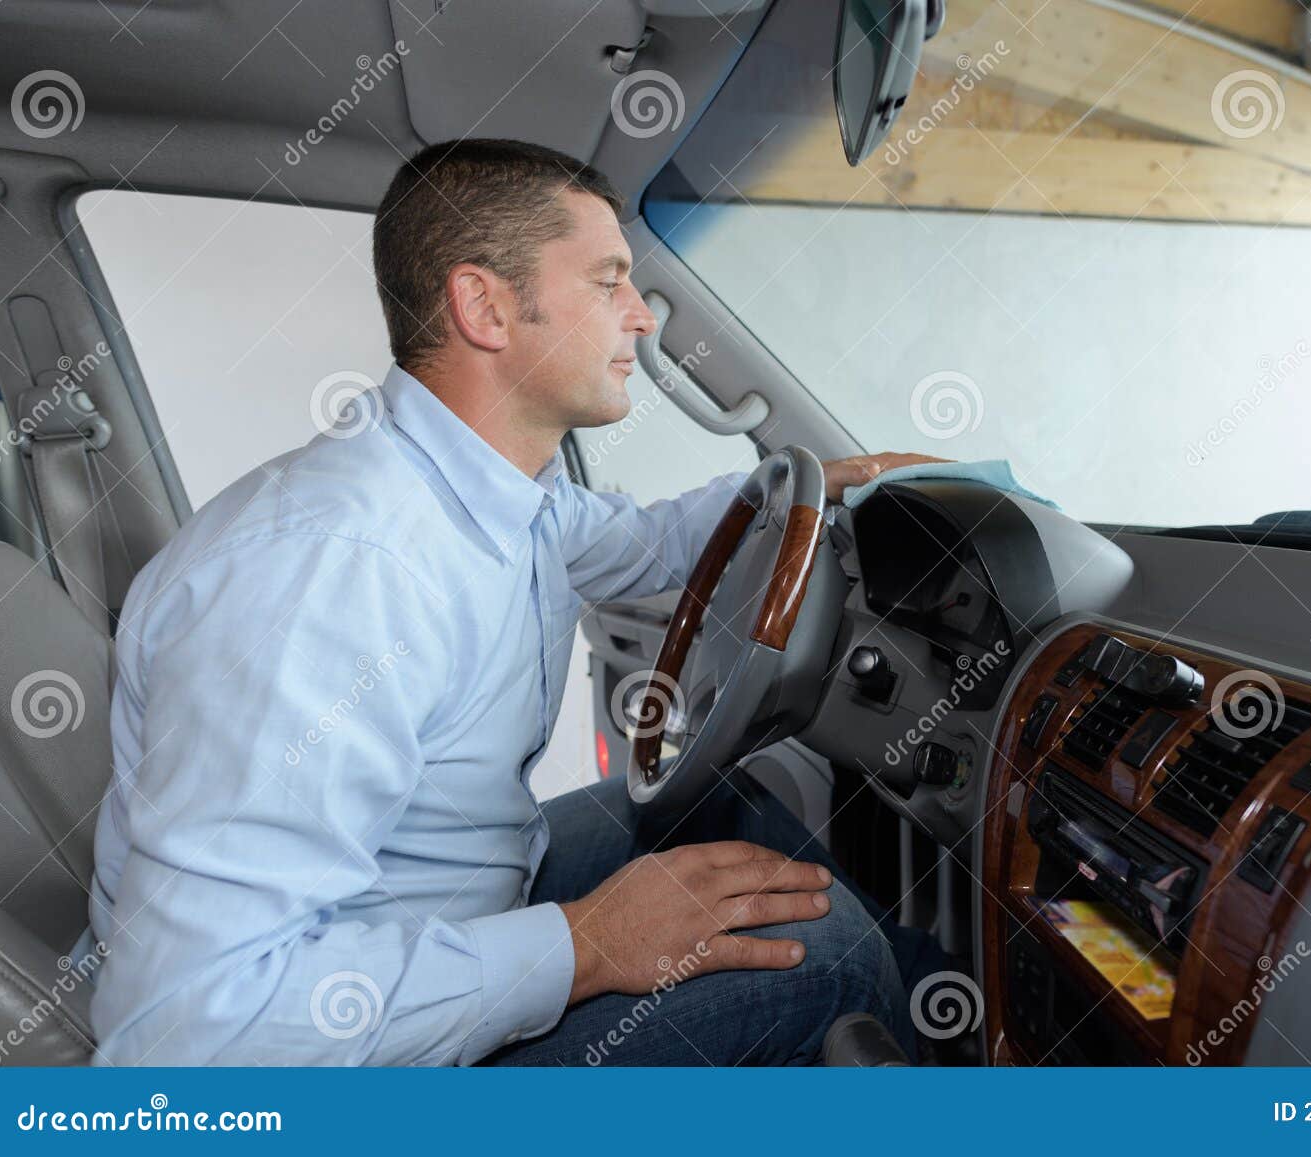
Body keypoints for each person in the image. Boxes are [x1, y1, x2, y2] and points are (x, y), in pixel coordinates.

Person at [83, 138, 946, 1066]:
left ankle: (939, 1018)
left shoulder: (496, 494)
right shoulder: (330, 577)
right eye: (608, 282)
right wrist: (586, 944)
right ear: (485, 308)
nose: (640, 317)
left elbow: (650, 541)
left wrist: (821, 488)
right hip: (331, 1044)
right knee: (828, 957)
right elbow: (186, 1031)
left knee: (729, 809)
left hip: (444, 908)